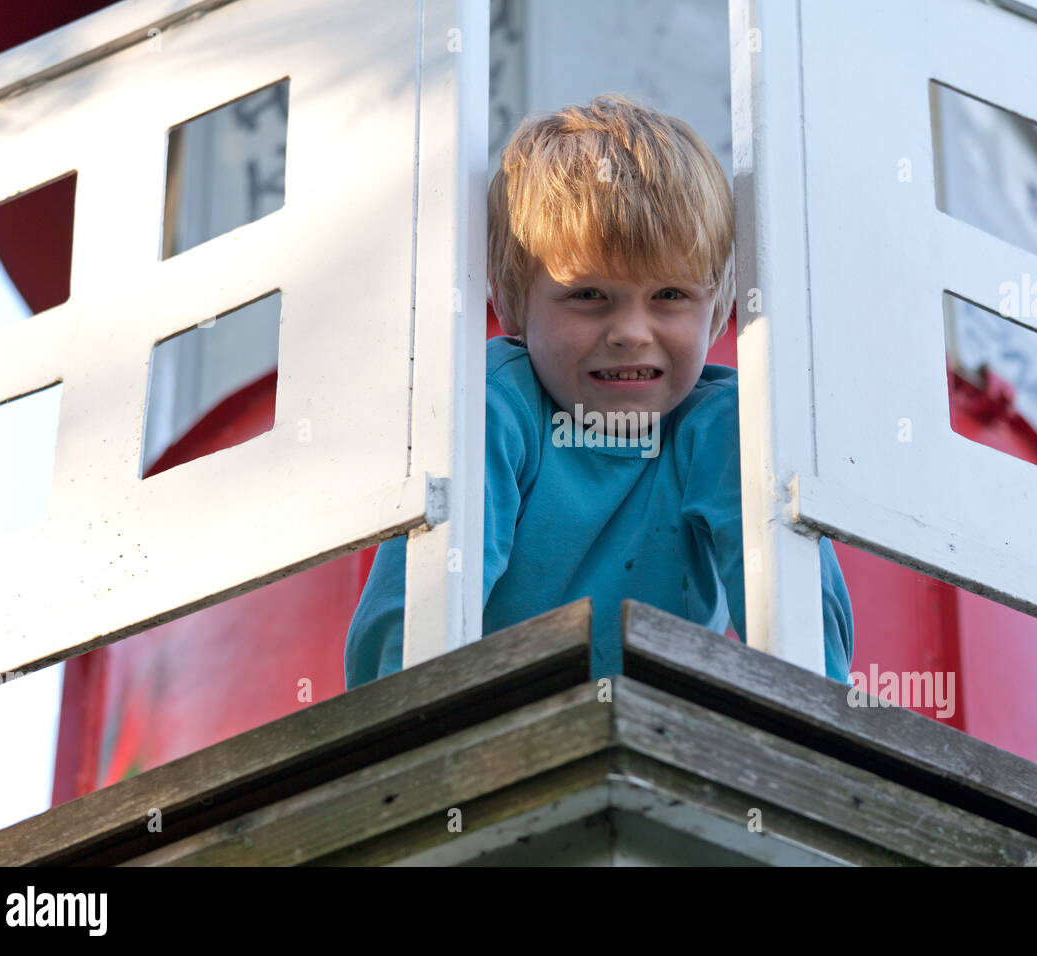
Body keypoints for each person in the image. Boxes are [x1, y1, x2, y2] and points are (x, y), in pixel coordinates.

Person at [345, 93, 853, 686]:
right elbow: (404, 627)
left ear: (716, 313)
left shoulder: (727, 427)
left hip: (665, 740)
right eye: (588, 295)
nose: (631, 333)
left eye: (670, 296)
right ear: (511, 304)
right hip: (485, 726)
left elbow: (805, 641)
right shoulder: (487, 408)